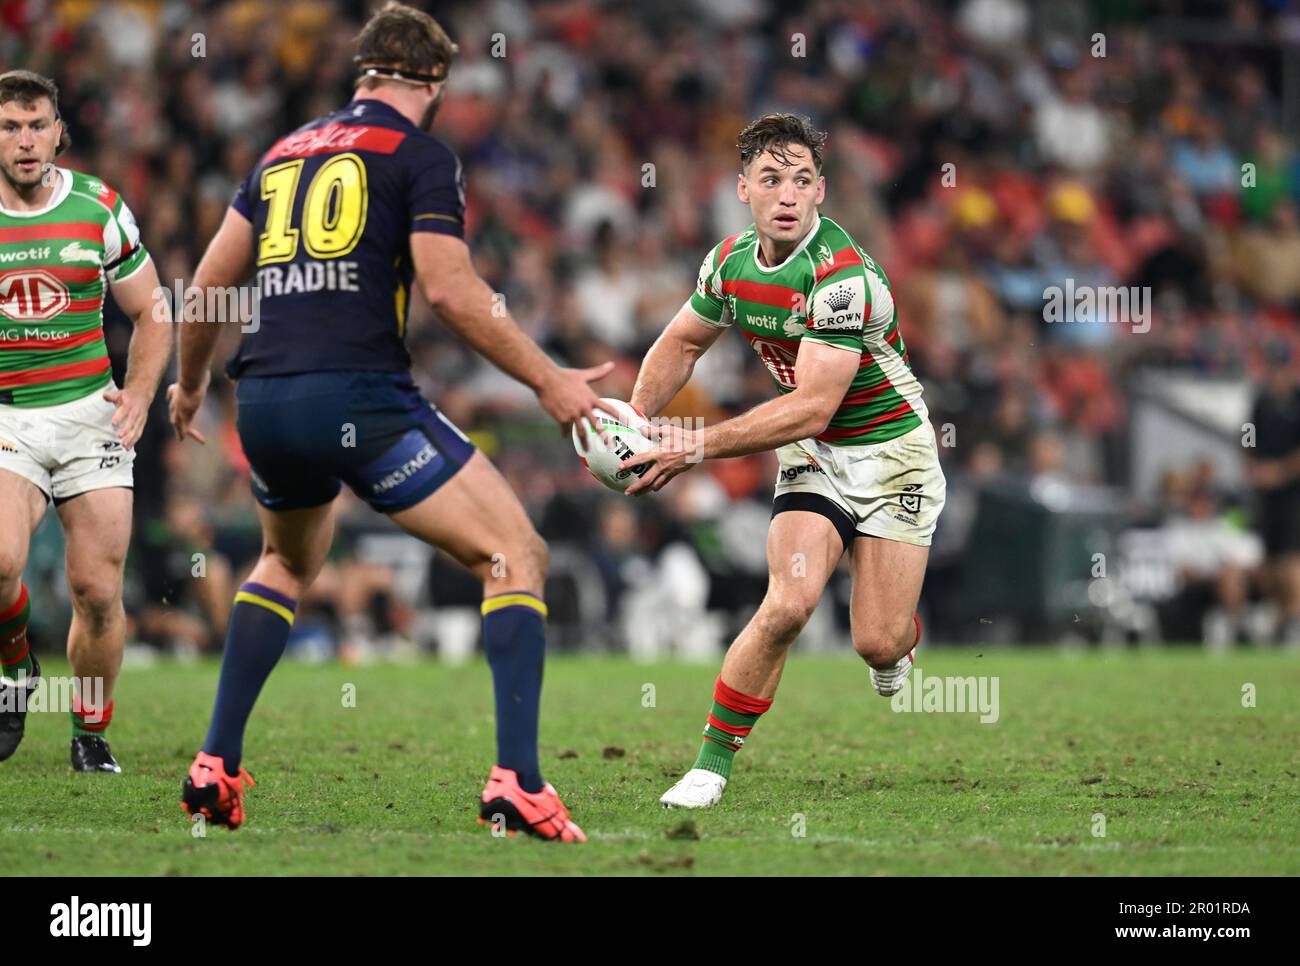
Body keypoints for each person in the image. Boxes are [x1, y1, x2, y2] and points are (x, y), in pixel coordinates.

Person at [168, 2, 608, 840]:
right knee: (516, 553)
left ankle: (215, 764)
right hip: (358, 398)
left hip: (262, 401)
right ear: (435, 82)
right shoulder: (420, 155)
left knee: (284, 564)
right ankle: (518, 780)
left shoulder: (281, 154)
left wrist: (189, 388)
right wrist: (550, 382)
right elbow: (449, 290)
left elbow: (208, 286)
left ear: (362, 74)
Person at [622, 114, 946, 808]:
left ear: (821, 191)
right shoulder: (727, 263)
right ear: (744, 189)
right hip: (815, 458)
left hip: (893, 457)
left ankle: (898, 645)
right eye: (771, 179)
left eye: (801, 179)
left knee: (877, 641)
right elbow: (681, 344)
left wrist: (693, 445)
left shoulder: (841, 277)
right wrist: (633, 419)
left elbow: (812, 405)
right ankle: (710, 766)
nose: (787, 194)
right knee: (788, 604)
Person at [0, 70, 173, 773]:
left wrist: (137, 391)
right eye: (10, 126)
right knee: (0, 561)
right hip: (8, 415)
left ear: (59, 131)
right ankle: (15, 669)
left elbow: (152, 310)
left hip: (90, 415)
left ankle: (89, 732)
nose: (25, 140)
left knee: (98, 591)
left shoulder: (98, 205)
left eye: (37, 124)